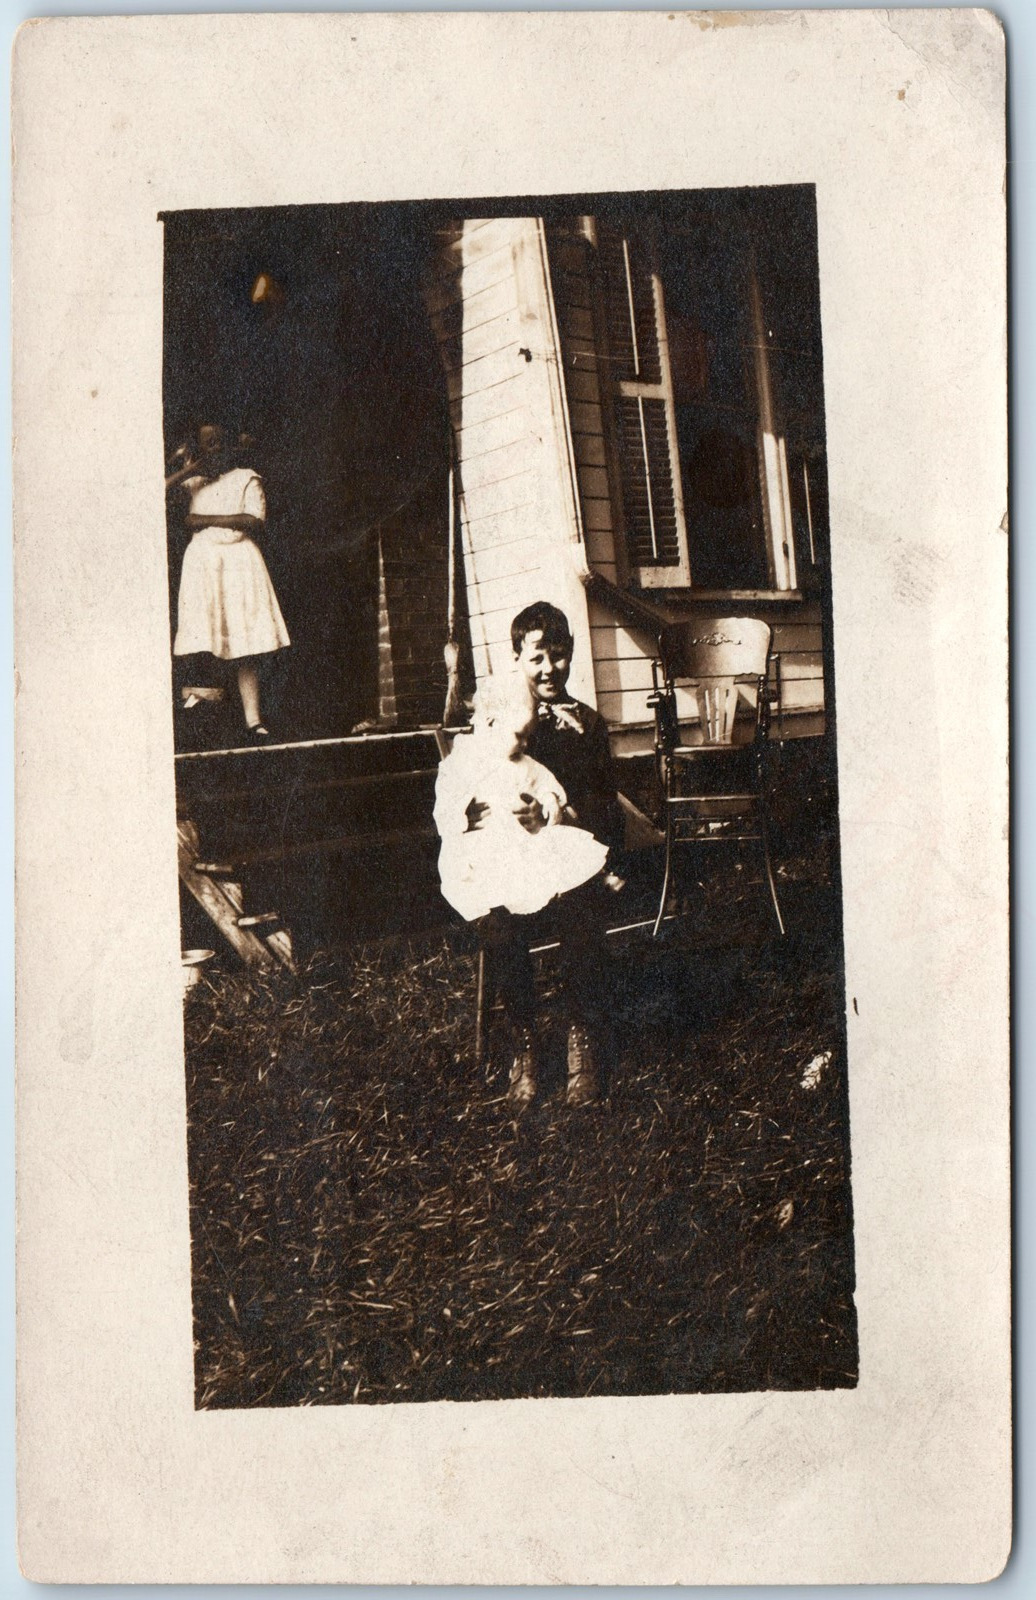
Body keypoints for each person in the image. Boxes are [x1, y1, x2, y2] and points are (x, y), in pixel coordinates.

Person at [434, 601, 624, 1110]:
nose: (548, 669)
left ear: (571, 657)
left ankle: (581, 1035)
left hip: (562, 852)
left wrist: (558, 818)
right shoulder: (501, 718)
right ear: (517, 657)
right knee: (497, 918)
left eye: (558, 657)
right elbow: (458, 788)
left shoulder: (585, 725)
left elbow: (608, 813)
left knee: (581, 902)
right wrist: (468, 813)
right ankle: (525, 1039)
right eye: (537, 657)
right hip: (502, 859)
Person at [435, 676, 609, 922]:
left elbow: (552, 792)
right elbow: (443, 812)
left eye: (529, 735)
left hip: (526, 854)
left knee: (576, 890)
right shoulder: (460, 763)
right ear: (490, 722)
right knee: (496, 920)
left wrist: (548, 807)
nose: (526, 744)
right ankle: (507, 950)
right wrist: (461, 815)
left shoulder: (525, 765)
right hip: (483, 859)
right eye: (520, 735)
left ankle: (581, 956)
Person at [168, 422, 289, 741]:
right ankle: (203, 720)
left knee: (244, 641)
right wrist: (189, 468)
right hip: (204, 562)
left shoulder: (247, 477)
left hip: (239, 562)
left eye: (220, 440)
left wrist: (203, 521)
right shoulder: (192, 482)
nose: (216, 447)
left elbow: (253, 520)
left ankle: (253, 720)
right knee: (203, 638)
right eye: (208, 443)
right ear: (200, 448)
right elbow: (153, 493)